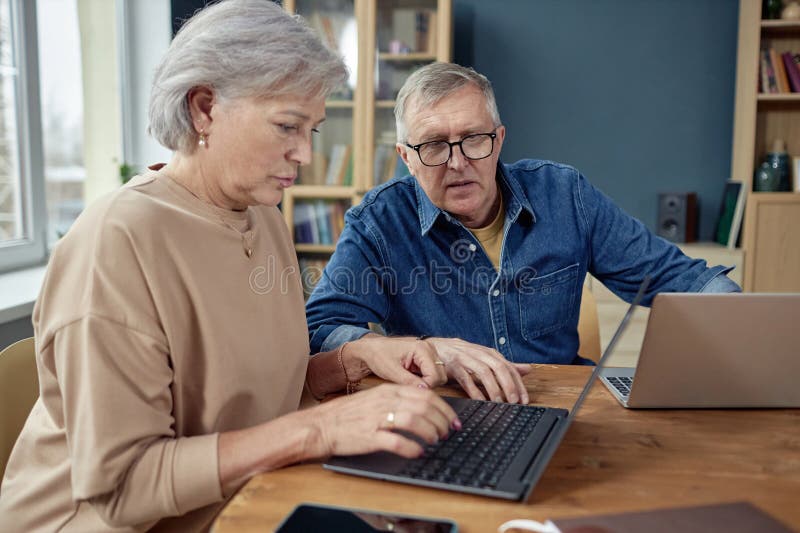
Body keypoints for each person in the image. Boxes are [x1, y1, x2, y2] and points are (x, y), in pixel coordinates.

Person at [0, 2, 459, 531]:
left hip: (241, 503)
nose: (305, 155)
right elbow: (123, 486)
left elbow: (247, 397)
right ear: (203, 109)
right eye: (287, 125)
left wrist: (352, 361)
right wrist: (323, 431)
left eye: (311, 129)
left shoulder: (262, 216)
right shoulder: (116, 242)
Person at [305, 62, 741, 405]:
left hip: (564, 406)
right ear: (406, 157)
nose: (458, 162)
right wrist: (426, 349)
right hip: (444, 412)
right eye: (434, 145)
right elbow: (321, 327)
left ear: (498, 139)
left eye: (474, 138)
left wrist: (754, 330)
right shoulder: (378, 222)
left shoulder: (565, 195)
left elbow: (680, 279)